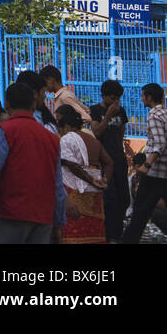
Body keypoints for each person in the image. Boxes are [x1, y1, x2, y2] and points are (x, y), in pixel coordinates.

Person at [0, 81, 66, 244]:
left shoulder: (3, 132)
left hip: (8, 215)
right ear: (33, 104)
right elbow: (57, 183)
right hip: (42, 218)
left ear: (7, 104)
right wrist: (58, 223)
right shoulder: (51, 138)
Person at [56, 104, 111, 244]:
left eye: (61, 129)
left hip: (76, 191)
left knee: (74, 235)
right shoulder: (93, 140)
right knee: (94, 233)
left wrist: (91, 180)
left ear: (66, 127)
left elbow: (72, 164)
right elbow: (109, 162)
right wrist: (105, 180)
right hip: (96, 193)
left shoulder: (67, 139)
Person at [120, 82, 167, 244]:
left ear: (148, 97)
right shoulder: (165, 114)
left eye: (142, 96)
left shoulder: (154, 115)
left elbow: (159, 144)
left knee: (139, 214)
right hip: (163, 172)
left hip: (155, 173)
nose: (141, 100)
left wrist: (146, 165)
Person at [89, 79, 131, 242]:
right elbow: (97, 132)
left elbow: (121, 133)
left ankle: (117, 233)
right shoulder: (94, 110)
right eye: (112, 98)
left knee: (123, 197)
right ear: (104, 96)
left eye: (118, 99)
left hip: (119, 158)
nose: (116, 102)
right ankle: (107, 234)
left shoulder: (121, 112)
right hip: (104, 161)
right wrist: (107, 116)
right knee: (110, 198)